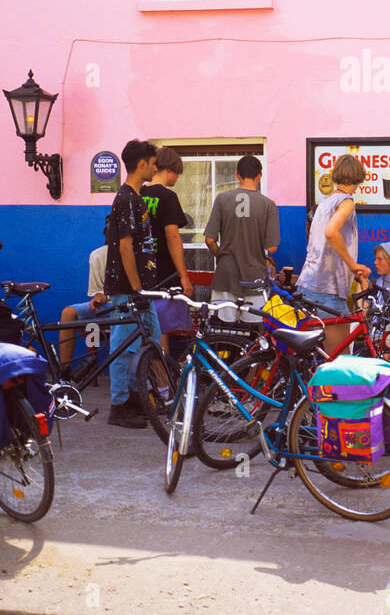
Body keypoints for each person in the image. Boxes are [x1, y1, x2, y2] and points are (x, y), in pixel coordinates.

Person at [101, 138, 161, 428]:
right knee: (124, 346)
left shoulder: (135, 198)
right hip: (129, 290)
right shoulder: (125, 199)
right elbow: (125, 247)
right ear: (142, 164)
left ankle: (138, 398)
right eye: (153, 163)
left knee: (149, 341)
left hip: (141, 290)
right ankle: (119, 404)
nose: (155, 168)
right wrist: (136, 289)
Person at [297, 153, 370, 354]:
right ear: (359, 179)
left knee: (318, 359)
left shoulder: (324, 204)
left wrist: (350, 269)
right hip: (327, 292)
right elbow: (331, 231)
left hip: (307, 287)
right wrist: (353, 265)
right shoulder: (347, 202)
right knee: (340, 362)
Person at [203, 155, 280, 321]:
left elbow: (209, 239)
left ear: (237, 175)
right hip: (255, 278)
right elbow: (272, 248)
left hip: (225, 275)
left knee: (221, 331)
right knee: (254, 334)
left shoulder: (222, 199)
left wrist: (222, 255)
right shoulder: (269, 205)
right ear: (260, 175)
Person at [142, 146, 196, 353]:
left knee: (145, 325)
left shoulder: (138, 193)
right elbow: (173, 237)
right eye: (178, 173)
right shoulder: (168, 197)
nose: (178, 178)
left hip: (140, 271)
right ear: (169, 170)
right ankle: (162, 377)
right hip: (163, 272)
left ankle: (148, 375)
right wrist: (183, 276)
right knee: (161, 327)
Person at [57, 244, 108, 377]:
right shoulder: (98, 255)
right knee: (68, 313)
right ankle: (65, 372)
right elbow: (99, 292)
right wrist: (99, 298)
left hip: (128, 307)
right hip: (108, 306)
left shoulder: (134, 252)